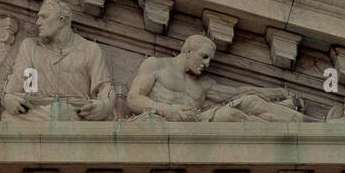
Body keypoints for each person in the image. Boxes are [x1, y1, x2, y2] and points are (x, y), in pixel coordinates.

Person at [127, 34, 304, 121]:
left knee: (250, 101)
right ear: (188, 51)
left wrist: (278, 92)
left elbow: (239, 92)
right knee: (231, 115)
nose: (208, 63)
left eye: (210, 59)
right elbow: (134, 99)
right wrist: (170, 111)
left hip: (197, 121)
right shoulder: (156, 64)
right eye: (204, 56)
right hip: (169, 123)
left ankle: (305, 124)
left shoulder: (203, 84)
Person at [1, 0, 114, 121]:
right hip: (39, 114)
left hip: (78, 114)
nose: (38, 22)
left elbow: (105, 87)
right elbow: (17, 80)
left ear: (62, 21)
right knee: (7, 117)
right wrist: (7, 97)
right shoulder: (30, 46)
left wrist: (105, 105)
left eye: (44, 17)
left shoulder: (90, 49)